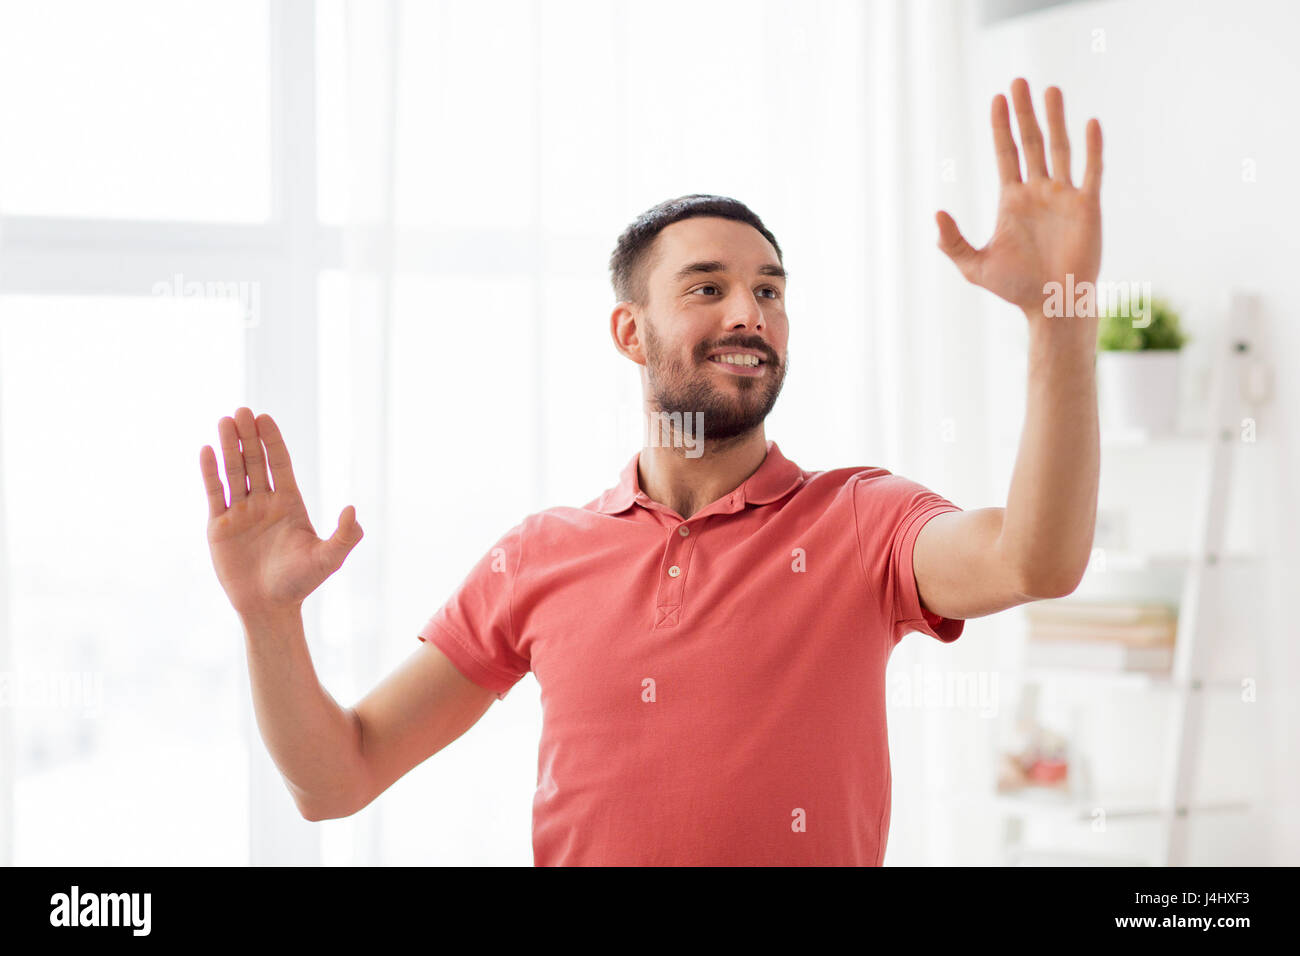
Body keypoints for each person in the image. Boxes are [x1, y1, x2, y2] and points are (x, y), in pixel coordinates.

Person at [199, 78, 1103, 865]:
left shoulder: (862, 519)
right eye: (707, 287)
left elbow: (1036, 560)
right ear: (630, 332)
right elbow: (337, 780)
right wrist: (268, 616)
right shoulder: (540, 555)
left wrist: (1058, 321)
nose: (750, 311)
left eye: (771, 289)